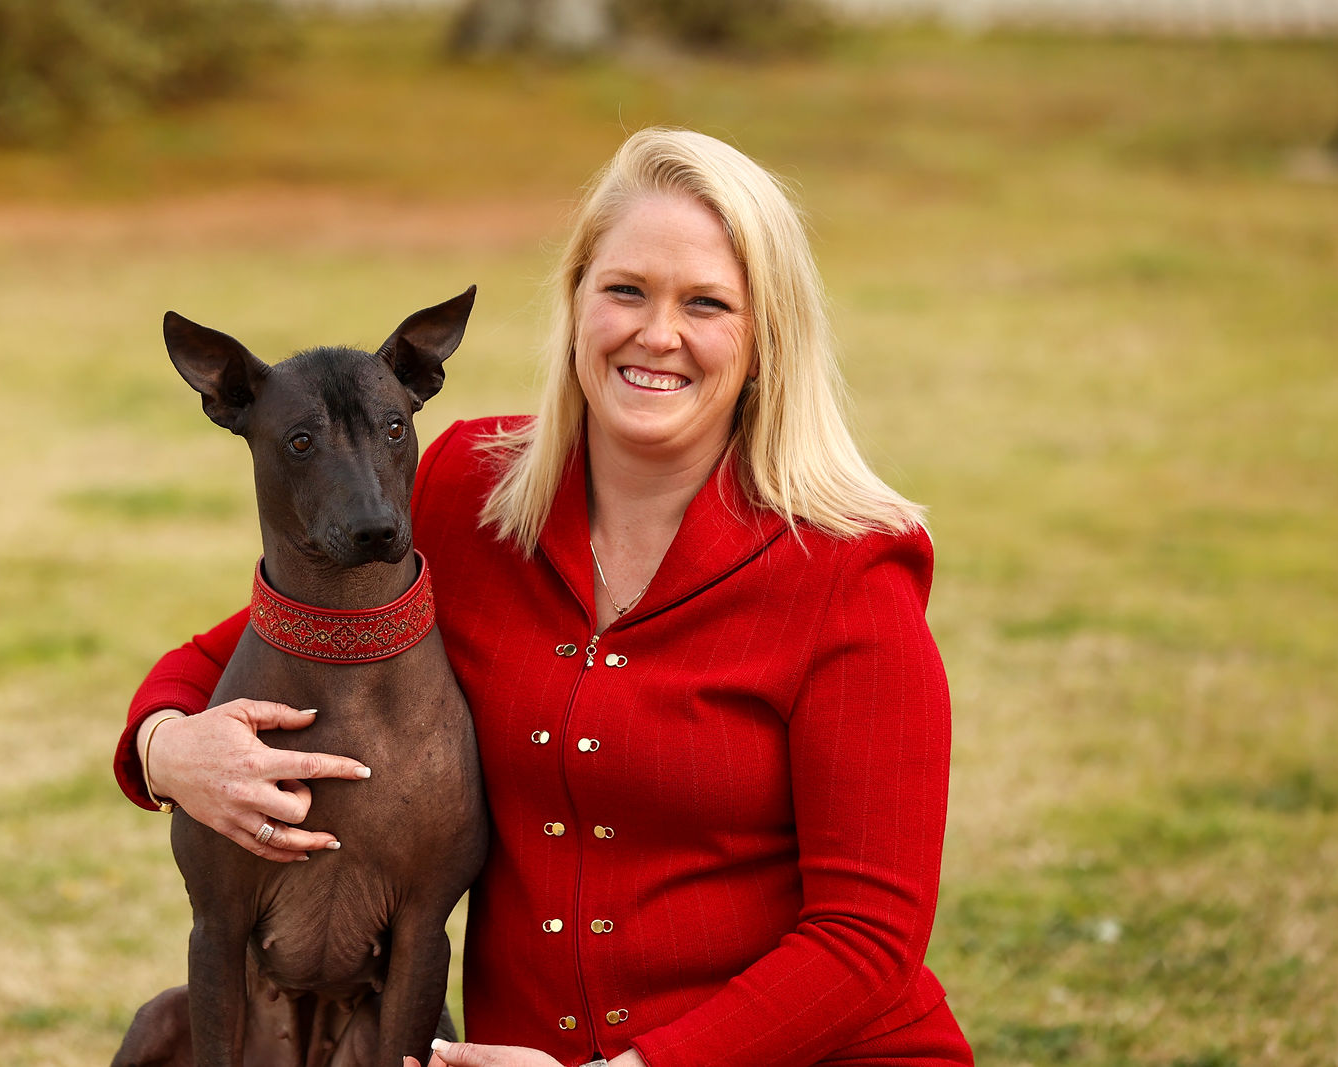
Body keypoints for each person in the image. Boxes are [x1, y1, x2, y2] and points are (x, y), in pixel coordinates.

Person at [113, 127, 972, 1067]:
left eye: (708, 303)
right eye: (626, 291)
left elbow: (869, 938)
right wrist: (166, 748)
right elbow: (239, 648)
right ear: (574, 305)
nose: (657, 333)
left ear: (767, 341)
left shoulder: (847, 571)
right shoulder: (465, 490)